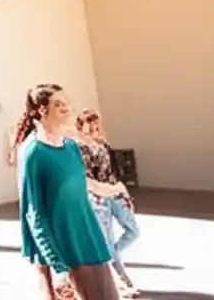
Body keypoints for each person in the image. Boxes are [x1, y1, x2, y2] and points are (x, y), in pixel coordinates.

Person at [15, 84, 118, 300]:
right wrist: (57, 267)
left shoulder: (71, 146)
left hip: (88, 238)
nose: (66, 108)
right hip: (62, 249)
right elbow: (34, 214)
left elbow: (82, 183)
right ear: (42, 110)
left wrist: (115, 191)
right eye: (58, 104)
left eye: (66, 102)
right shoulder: (33, 152)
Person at [76, 110, 141, 297]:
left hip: (115, 194)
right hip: (98, 198)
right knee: (107, 241)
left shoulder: (103, 144)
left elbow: (114, 171)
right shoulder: (79, 148)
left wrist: (124, 194)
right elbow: (87, 178)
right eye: (90, 123)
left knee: (133, 231)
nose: (95, 127)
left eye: (97, 123)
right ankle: (122, 281)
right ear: (81, 126)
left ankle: (114, 256)